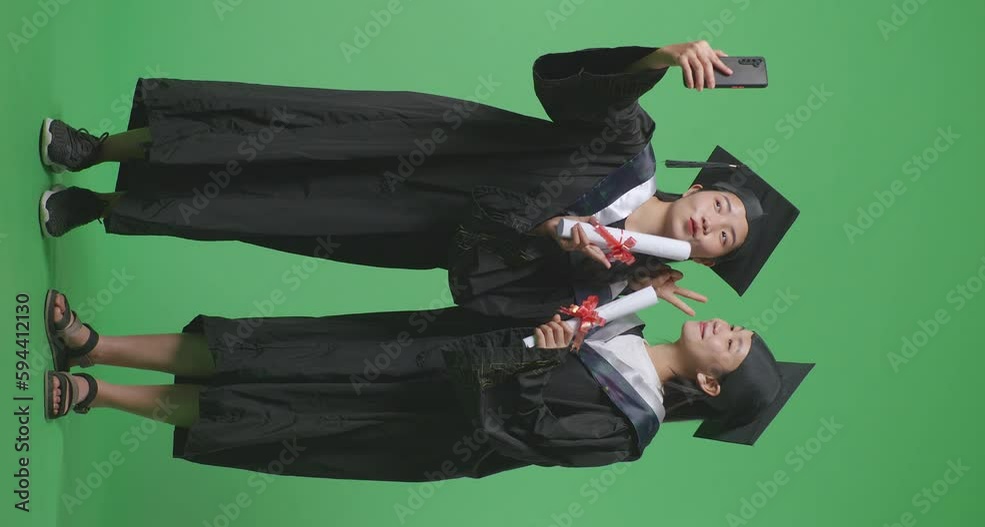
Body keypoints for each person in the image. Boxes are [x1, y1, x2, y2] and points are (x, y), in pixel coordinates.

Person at [37, 40, 795, 320]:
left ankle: (101, 203)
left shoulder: (604, 284)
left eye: (725, 238)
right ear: (703, 185)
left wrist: (596, 274)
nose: (712, 222)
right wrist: (656, 60)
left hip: (407, 225)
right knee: (273, 135)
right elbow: (568, 87)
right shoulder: (630, 144)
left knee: (260, 207)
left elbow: (484, 297)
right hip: (431, 140)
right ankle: (97, 146)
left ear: (711, 259)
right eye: (721, 205)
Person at [43, 288, 812, 481]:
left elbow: (518, 433)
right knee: (267, 347)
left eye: (735, 346)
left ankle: (98, 394)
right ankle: (93, 341)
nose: (727, 327)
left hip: (413, 418)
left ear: (713, 388)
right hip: (420, 344)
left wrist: (538, 356)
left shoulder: (626, 429)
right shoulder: (623, 322)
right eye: (738, 326)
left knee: (265, 409)